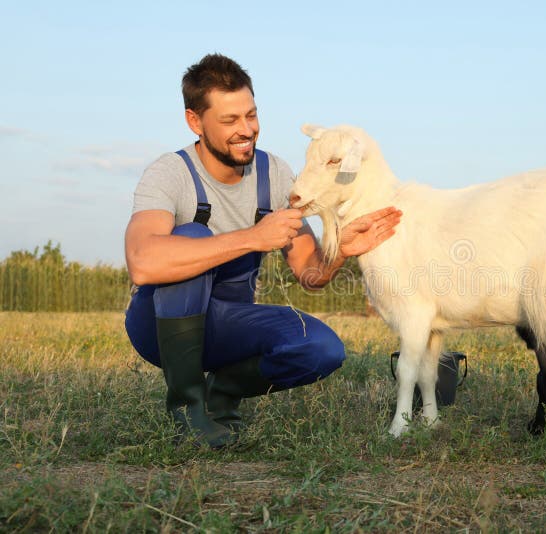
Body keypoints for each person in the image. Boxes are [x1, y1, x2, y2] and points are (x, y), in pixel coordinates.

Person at [124, 54, 401, 448]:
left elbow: (310, 273)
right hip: (158, 325)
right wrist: (253, 237)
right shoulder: (170, 173)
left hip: (227, 322)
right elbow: (142, 262)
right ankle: (188, 410)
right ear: (194, 122)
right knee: (190, 235)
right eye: (230, 121)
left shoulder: (272, 174)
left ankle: (223, 392)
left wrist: (340, 251)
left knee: (322, 348)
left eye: (251, 115)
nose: (247, 130)